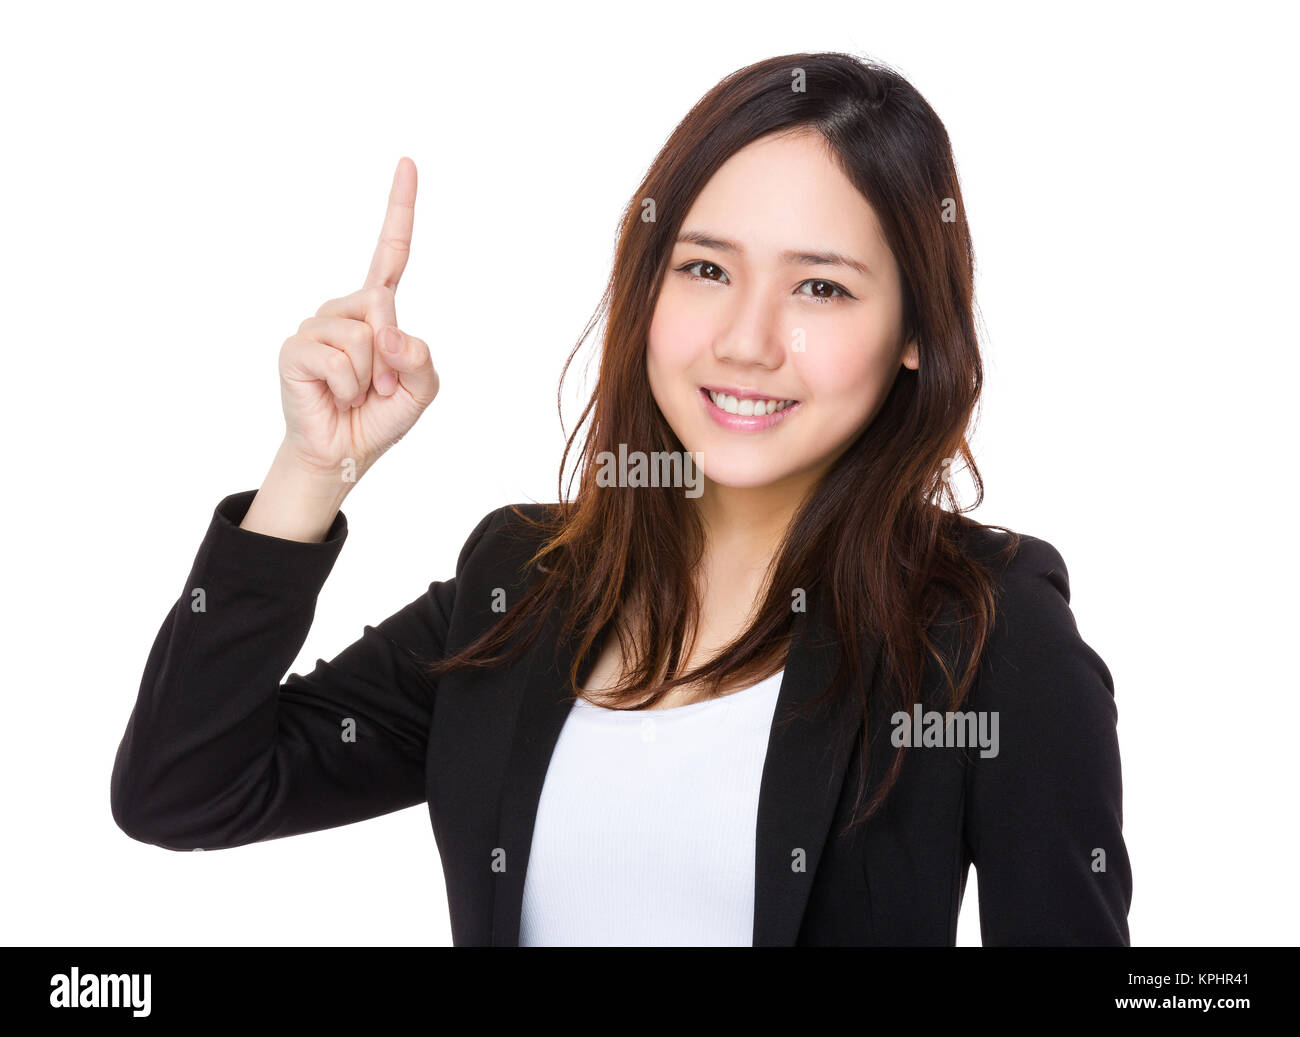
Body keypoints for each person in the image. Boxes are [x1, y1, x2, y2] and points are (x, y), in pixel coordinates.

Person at [111, 51, 1133, 946]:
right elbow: (186, 786)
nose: (745, 339)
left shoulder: (986, 632)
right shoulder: (523, 583)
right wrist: (310, 469)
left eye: (819, 286)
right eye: (704, 268)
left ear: (916, 330)